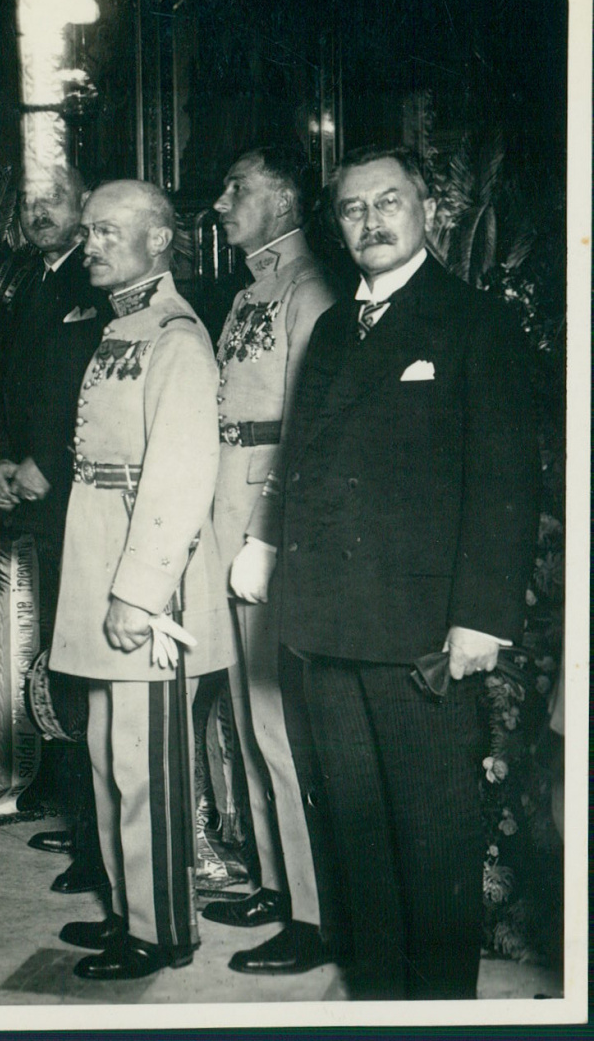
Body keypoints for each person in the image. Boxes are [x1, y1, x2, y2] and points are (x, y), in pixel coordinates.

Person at [236, 145, 539, 999]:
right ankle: (374, 1001)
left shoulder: (474, 322)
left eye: (388, 203)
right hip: (328, 626)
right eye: (353, 210)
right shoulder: (333, 328)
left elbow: (506, 483)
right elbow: (302, 465)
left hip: (421, 636)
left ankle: (440, 1007)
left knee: (434, 837)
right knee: (358, 833)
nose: (370, 223)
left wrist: (480, 620)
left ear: (426, 212)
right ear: (336, 225)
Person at [48, 181, 233, 980]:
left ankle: (162, 930)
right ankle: (128, 908)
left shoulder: (176, 337)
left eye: (110, 232)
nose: (92, 244)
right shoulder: (124, 323)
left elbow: (181, 475)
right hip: (99, 554)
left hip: (147, 583)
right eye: (88, 231)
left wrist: (140, 591)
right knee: (104, 747)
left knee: (145, 761)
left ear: (160, 240)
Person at [203, 148, 340, 974]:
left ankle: (316, 912)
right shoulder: (251, 290)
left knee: (278, 720)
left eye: (237, 188)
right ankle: (273, 879)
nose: (221, 203)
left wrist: (265, 533)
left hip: (265, 520)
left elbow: (305, 431)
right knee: (245, 717)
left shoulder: (310, 291)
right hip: (224, 509)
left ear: (286, 200)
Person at [0, 164, 110, 902]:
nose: (38, 213)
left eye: (52, 201)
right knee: (59, 653)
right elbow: (4, 382)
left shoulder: (93, 285)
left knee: (81, 652)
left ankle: (93, 822)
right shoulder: (29, 286)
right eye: (29, 203)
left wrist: (47, 465)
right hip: (31, 492)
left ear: (83, 210)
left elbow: (97, 396)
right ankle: (73, 806)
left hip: (76, 493)